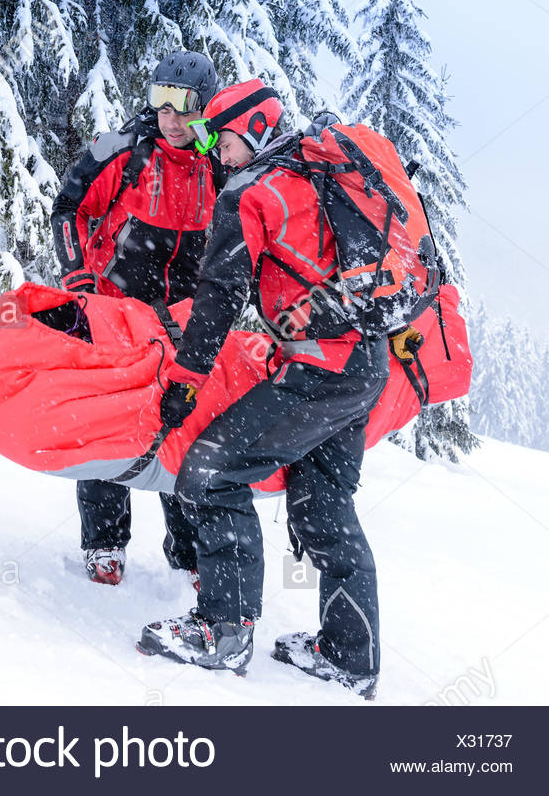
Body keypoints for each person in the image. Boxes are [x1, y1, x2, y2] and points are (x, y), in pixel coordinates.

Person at [136, 80, 389, 698]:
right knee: (321, 503)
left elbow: (221, 296)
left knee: (211, 469)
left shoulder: (250, 192)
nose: (213, 154)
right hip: (365, 366)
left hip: (318, 369)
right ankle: (350, 657)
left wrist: (186, 380)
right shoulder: (315, 169)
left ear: (253, 129)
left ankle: (224, 634)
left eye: (218, 139)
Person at [51, 51, 223, 586]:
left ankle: (188, 552)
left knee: (183, 427)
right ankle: (105, 544)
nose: (169, 117)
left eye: (182, 104)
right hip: (115, 309)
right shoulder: (125, 151)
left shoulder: (220, 166)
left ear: (206, 107)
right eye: (159, 100)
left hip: (182, 321)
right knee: (110, 424)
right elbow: (66, 208)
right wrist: (77, 273)